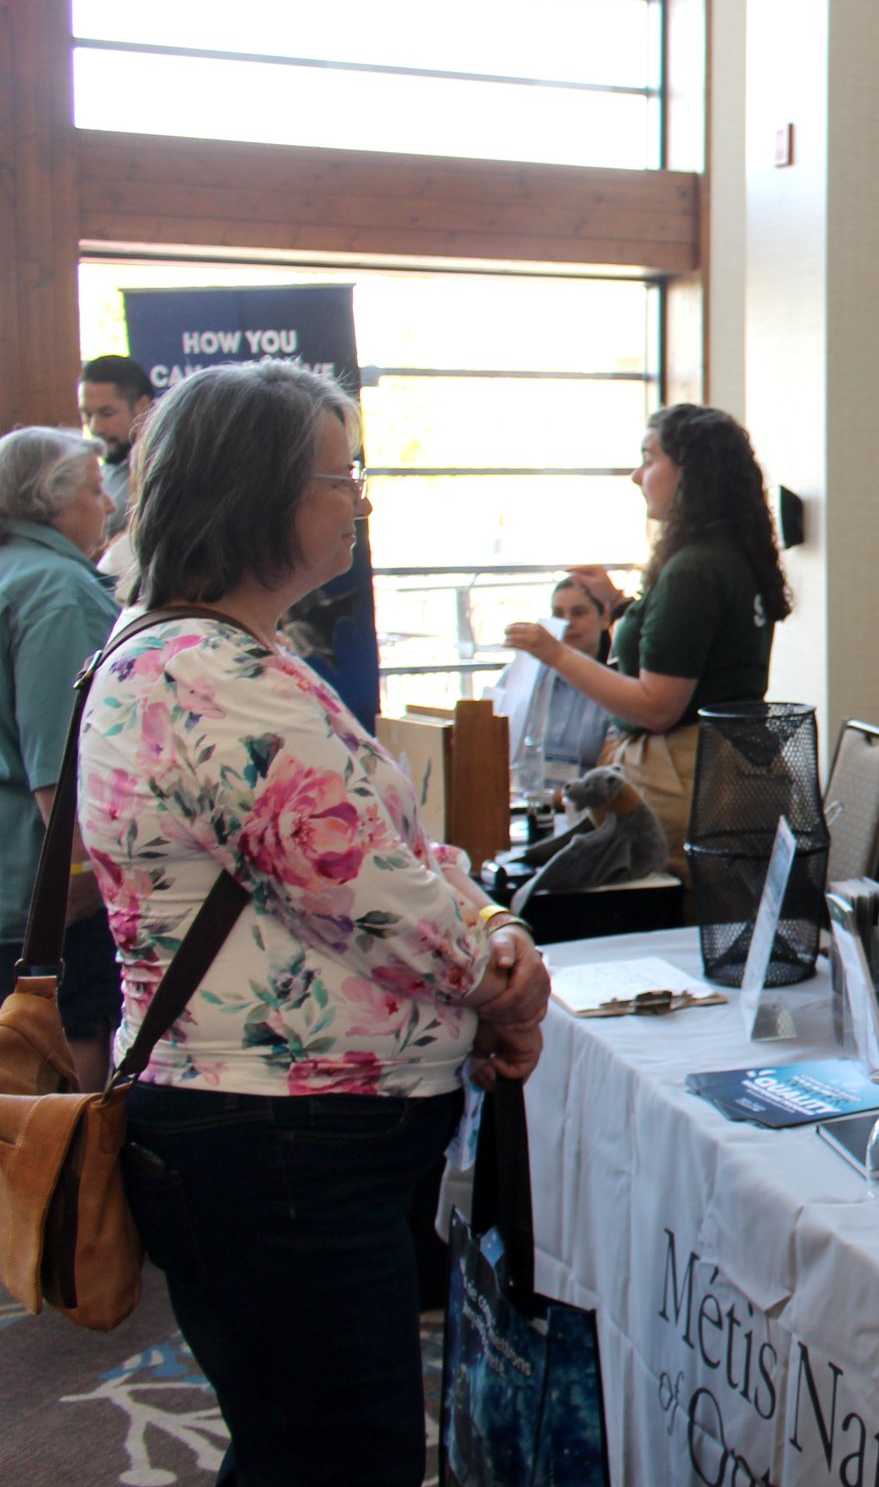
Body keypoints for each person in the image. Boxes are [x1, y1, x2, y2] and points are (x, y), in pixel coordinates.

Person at [78, 361, 552, 1486]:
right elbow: (371, 896)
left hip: (283, 1132)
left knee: (310, 1444)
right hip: (275, 1139)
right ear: (259, 495)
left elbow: (398, 850)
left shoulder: (227, 653)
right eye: (341, 477)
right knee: (337, 1454)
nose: (360, 501)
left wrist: (492, 918)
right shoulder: (208, 673)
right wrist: (500, 976)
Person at [504, 404, 791, 876]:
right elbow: (685, 651)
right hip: (731, 770)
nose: (637, 475)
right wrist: (617, 605)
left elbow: (656, 707)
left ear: (690, 471)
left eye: (648, 458)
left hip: (685, 780)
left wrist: (554, 653)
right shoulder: (729, 554)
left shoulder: (692, 570)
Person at [0, 427, 120, 1089]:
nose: (110, 504)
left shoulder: (12, 572)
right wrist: (87, 875)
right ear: (48, 500)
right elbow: (61, 768)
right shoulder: (56, 591)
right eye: (95, 490)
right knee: (61, 1096)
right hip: (41, 898)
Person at [501, 575, 620, 792]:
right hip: (519, 802)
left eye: (578, 613)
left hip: (586, 806)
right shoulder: (522, 677)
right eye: (558, 614)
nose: (567, 622)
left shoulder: (617, 687)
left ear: (604, 618)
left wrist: (553, 799)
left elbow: (610, 775)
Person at [76, 352, 155, 538]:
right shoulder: (95, 473)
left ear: (143, 407)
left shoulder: (166, 475)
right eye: (87, 414)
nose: (95, 427)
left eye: (107, 413)